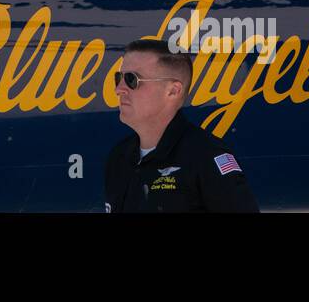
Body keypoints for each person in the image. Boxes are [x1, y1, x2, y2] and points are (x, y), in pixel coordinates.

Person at [104, 37, 259, 212]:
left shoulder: (206, 157)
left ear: (173, 91)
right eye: (119, 78)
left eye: (132, 79)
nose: (119, 89)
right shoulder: (119, 157)